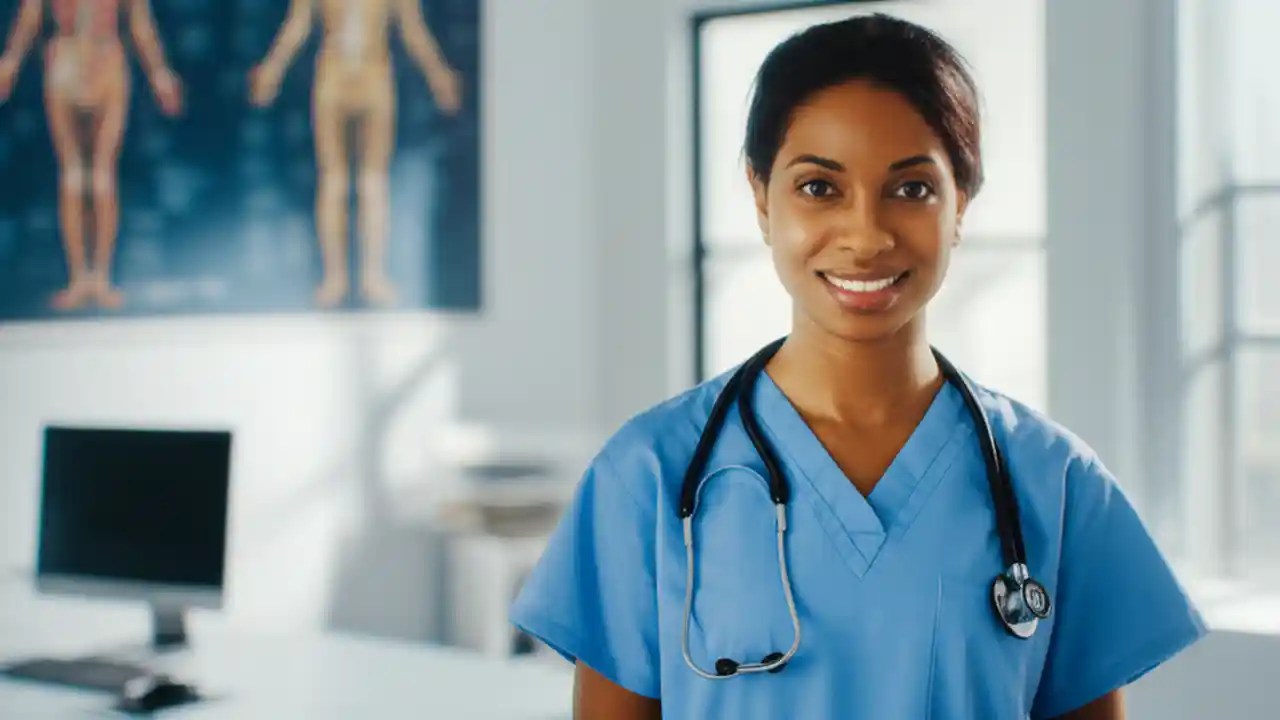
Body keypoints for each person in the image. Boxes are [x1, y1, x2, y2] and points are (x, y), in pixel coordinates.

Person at [510, 14, 1206, 720]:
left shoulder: (1055, 480)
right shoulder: (648, 473)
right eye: (819, 187)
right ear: (761, 197)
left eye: (911, 189)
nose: (866, 237)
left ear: (961, 201)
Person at [249, 0, 462, 309]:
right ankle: (335, 277)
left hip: (375, 78)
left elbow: (412, 29)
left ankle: (372, 275)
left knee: (373, 180)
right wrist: (273, 69)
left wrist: (438, 75)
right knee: (333, 180)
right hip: (333, 77)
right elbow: (298, 24)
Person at [0, 0, 183, 311]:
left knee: (81, 172)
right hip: (95, 56)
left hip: (75, 58)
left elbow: (31, 17)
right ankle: (93, 277)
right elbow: (139, 23)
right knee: (95, 173)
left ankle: (88, 277)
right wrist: (158, 72)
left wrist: (11, 61)